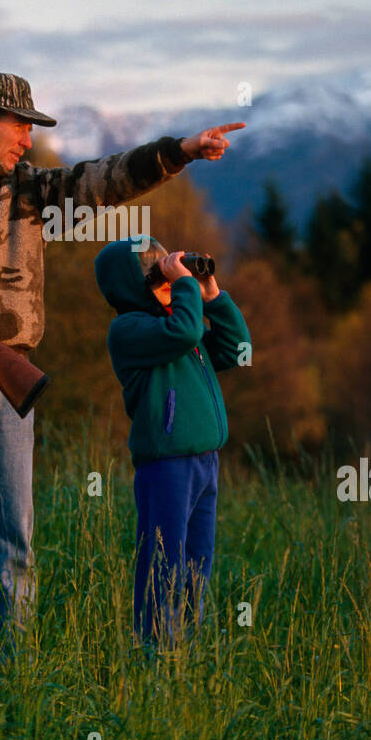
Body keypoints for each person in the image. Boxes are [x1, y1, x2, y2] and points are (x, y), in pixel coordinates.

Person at [0, 71, 244, 676]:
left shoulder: (30, 191)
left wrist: (180, 152)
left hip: (12, 387)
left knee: (16, 548)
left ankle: (13, 682)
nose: (28, 141)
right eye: (20, 126)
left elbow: (103, 181)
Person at [93, 236, 251, 650]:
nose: (166, 281)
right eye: (155, 273)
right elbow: (182, 331)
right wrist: (182, 283)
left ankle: (185, 658)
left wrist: (212, 294)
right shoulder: (129, 330)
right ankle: (154, 660)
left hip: (204, 463)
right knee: (163, 567)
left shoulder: (179, 323)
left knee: (196, 568)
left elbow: (238, 350)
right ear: (134, 283)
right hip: (166, 466)